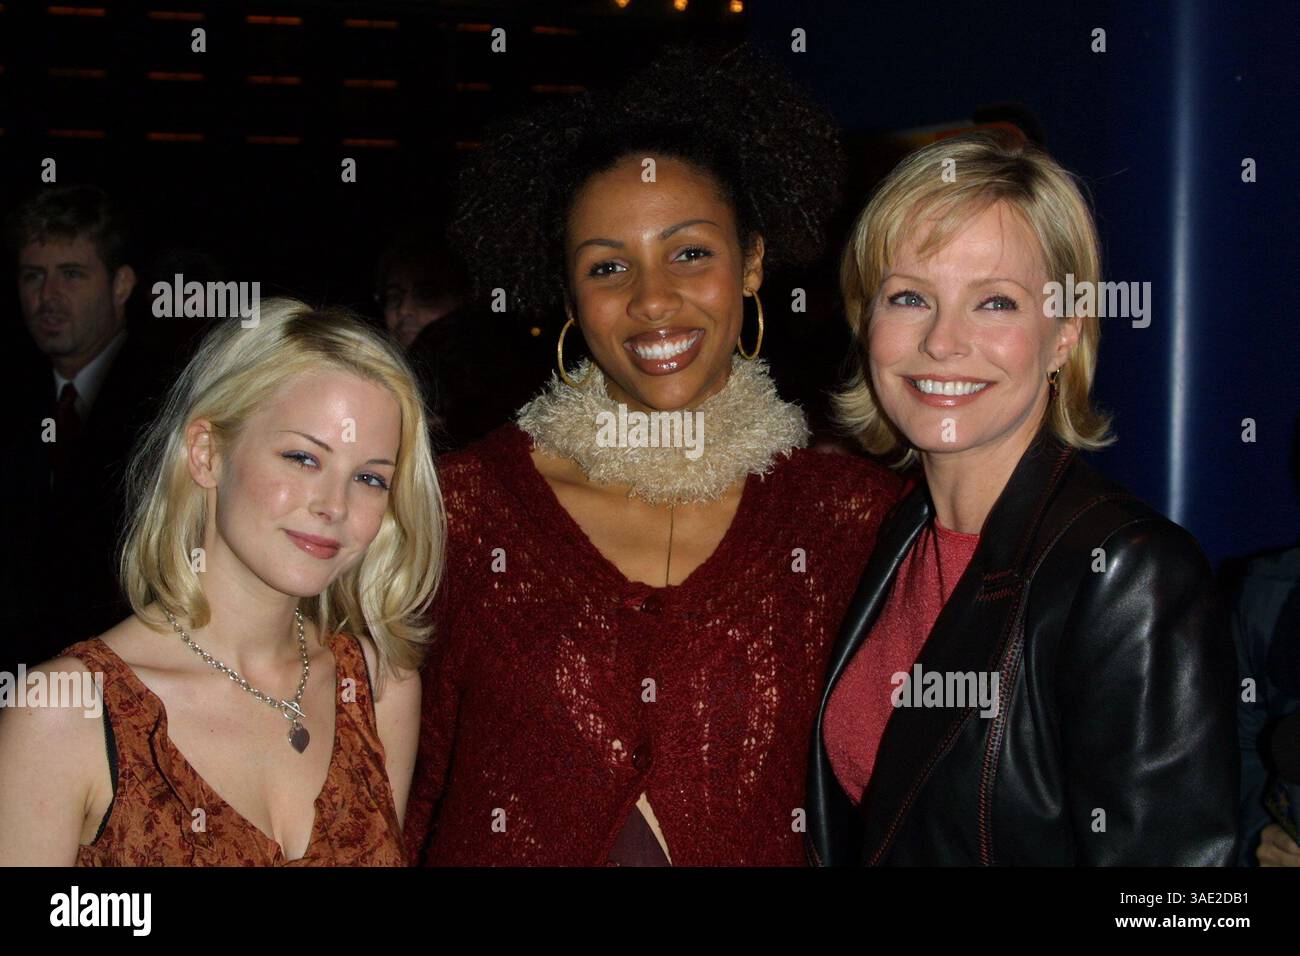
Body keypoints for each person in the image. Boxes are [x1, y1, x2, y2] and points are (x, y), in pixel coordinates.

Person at [402, 43, 902, 866]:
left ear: (752, 263)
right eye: (608, 266)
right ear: (569, 296)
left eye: (690, 252)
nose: (653, 299)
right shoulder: (460, 508)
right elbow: (404, 789)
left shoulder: (854, 519)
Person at [807, 130, 1239, 866]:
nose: (942, 341)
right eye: (909, 297)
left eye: (995, 303)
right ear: (865, 319)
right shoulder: (893, 532)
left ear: (1064, 334)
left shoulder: (1127, 575)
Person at [0, 298, 445, 866]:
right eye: (303, 458)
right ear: (207, 454)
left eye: (369, 478)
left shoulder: (380, 686)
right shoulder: (64, 712)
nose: (334, 505)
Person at [0, 185, 183, 672]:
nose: (48, 296)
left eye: (72, 274)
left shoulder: (168, 401)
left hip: (125, 671)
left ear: (121, 285)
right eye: (33, 276)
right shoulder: (15, 394)